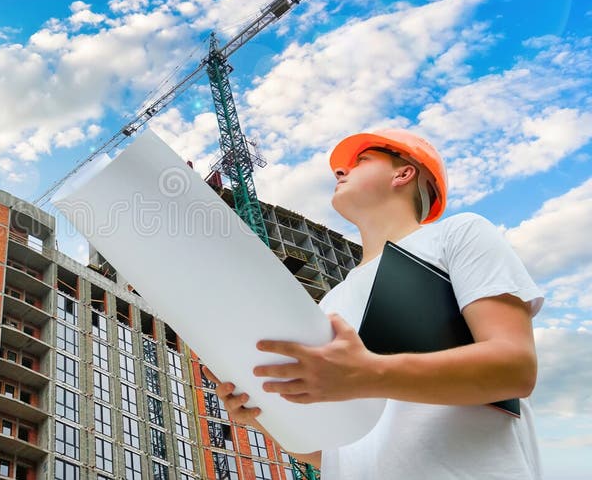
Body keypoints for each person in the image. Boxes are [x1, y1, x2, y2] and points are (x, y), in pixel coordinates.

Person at [206, 129, 543, 479]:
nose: (339, 172)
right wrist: (264, 411)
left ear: (404, 173)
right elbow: (330, 453)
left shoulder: (457, 236)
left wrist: (367, 374)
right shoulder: (332, 301)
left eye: (361, 160)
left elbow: (514, 367)